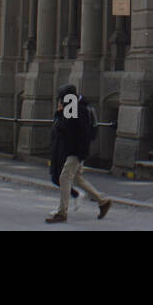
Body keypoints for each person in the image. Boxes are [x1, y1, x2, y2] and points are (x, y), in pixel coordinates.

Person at [46, 84, 111, 224]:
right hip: (74, 150)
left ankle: (62, 213)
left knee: (64, 178)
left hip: (75, 151)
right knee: (77, 179)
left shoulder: (77, 109)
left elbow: (80, 133)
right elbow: (63, 128)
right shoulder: (73, 107)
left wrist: (80, 153)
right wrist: (60, 113)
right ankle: (103, 201)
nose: (61, 101)